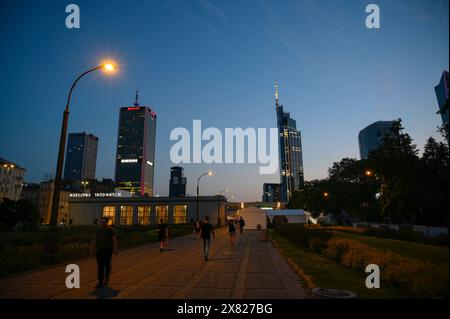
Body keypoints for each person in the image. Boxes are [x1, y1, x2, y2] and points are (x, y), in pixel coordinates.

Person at [92, 217, 118, 289]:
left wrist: (115, 249)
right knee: (100, 267)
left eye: (103, 222)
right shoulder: (98, 230)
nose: (102, 223)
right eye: (101, 222)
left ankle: (106, 279)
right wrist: (92, 248)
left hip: (108, 250)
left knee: (107, 265)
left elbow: (114, 239)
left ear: (107, 222)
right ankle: (100, 282)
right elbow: (95, 239)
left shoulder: (111, 230)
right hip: (99, 250)